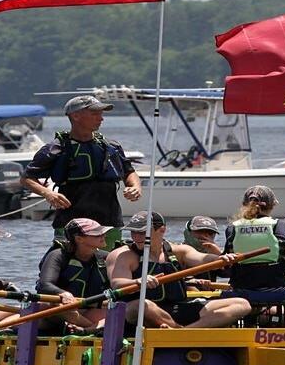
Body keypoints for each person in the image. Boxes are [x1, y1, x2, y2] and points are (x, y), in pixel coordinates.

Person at [21, 95, 142, 250]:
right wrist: (48, 193)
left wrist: (135, 187)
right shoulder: (55, 148)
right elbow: (26, 179)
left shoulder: (111, 146)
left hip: (109, 222)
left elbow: (129, 173)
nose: (101, 118)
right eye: (94, 114)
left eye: (101, 114)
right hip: (71, 224)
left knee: (109, 268)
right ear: (76, 116)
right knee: (70, 267)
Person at [107, 211, 250, 330]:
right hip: (143, 311)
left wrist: (222, 259)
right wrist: (138, 281)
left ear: (161, 230)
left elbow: (202, 259)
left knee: (242, 305)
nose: (136, 237)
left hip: (177, 307)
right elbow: (117, 283)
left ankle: (185, 331)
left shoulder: (178, 251)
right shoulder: (124, 255)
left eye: (142, 232)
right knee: (141, 305)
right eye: (133, 232)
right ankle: (178, 330)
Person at [35, 218, 113, 334]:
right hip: (63, 310)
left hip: (89, 309)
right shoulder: (57, 256)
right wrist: (63, 293)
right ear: (79, 239)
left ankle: (86, 330)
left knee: (116, 309)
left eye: (102, 232)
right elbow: (44, 284)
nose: (103, 235)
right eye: (97, 234)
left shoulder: (107, 258)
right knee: (54, 306)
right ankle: (93, 328)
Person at [223, 185, 285, 293]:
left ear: (245, 205)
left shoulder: (232, 228)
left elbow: (227, 267)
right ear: (272, 205)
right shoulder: (284, 226)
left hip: (242, 287)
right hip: (278, 288)